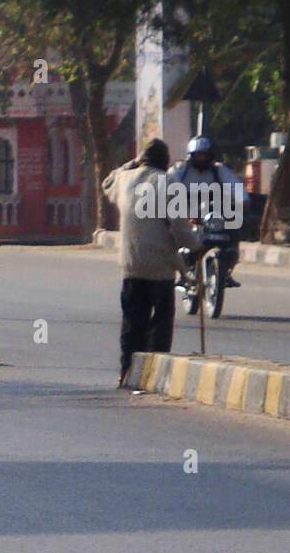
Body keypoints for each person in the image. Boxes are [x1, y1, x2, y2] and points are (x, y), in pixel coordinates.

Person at [103, 138, 204, 387]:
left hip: (131, 264)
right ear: (164, 161)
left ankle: (126, 372)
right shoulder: (168, 182)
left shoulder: (124, 180)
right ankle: (154, 374)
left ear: (142, 159)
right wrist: (196, 248)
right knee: (160, 320)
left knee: (132, 321)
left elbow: (107, 181)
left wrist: (134, 162)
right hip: (160, 266)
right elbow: (179, 227)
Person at [169, 135, 244, 288]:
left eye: (204, 154)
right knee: (174, 235)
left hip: (213, 213)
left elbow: (235, 186)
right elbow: (167, 185)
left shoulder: (219, 170)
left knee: (233, 233)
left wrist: (244, 201)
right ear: (191, 156)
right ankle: (182, 272)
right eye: (198, 155)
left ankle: (227, 271)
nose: (202, 158)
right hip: (186, 211)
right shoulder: (180, 170)